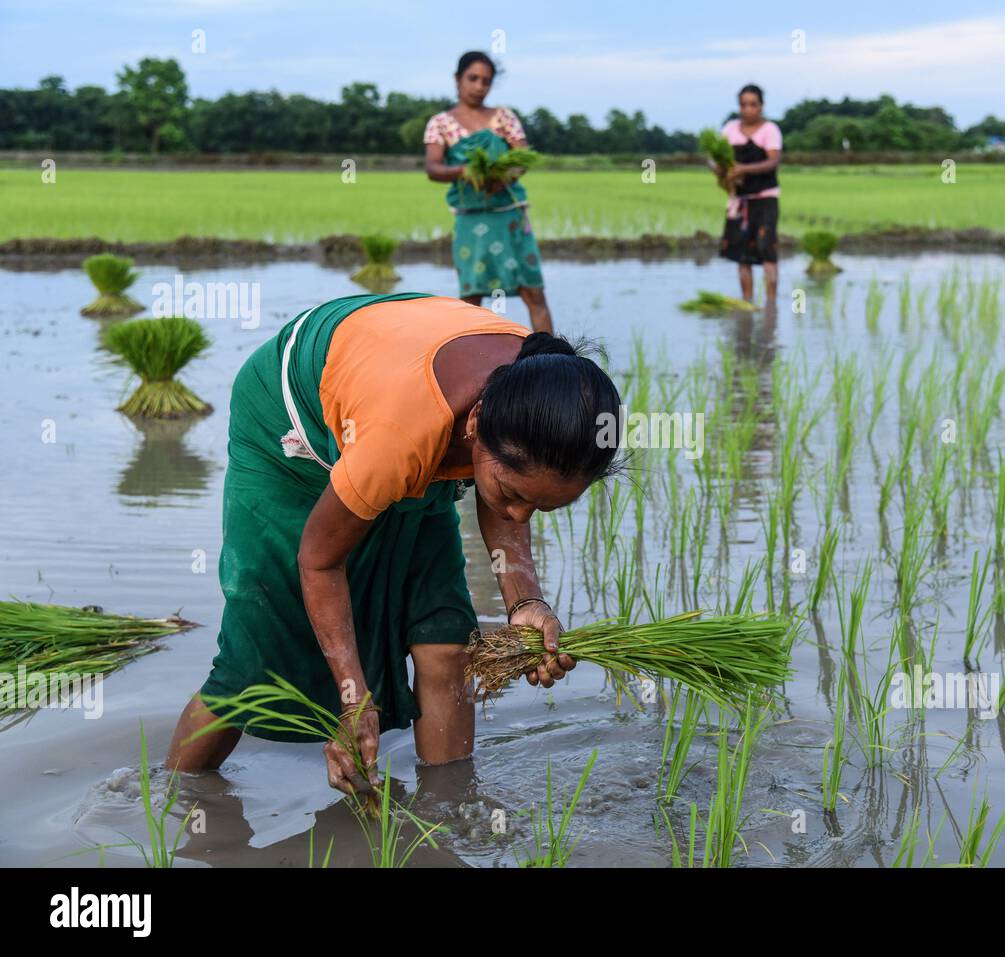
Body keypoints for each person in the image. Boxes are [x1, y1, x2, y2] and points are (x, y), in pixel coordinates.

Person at [164, 292, 621, 800]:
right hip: (290, 434)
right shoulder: (403, 434)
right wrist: (353, 697)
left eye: (539, 507)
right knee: (256, 659)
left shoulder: (536, 387)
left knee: (446, 642)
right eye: (512, 496)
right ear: (474, 428)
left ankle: (449, 811)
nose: (517, 516)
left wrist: (526, 602)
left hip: (403, 415)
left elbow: (510, 483)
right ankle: (172, 800)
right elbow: (319, 561)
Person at [424, 51, 553, 333]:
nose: (479, 86)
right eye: (473, 79)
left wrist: (504, 177)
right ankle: (471, 367)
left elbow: (523, 157)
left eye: (486, 81)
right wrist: (466, 172)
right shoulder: (441, 124)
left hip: (509, 215)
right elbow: (433, 168)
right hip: (471, 219)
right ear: (457, 80)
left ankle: (551, 364)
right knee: (471, 297)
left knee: (533, 292)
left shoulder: (504, 118)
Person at [717, 84, 783, 304]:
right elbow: (717, 159)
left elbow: (773, 161)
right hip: (740, 200)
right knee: (742, 253)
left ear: (761, 107)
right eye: (744, 104)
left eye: (753, 105)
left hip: (765, 198)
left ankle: (771, 305)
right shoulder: (730, 129)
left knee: (767, 250)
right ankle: (747, 302)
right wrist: (723, 173)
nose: (748, 109)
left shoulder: (770, 130)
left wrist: (744, 169)